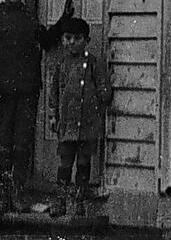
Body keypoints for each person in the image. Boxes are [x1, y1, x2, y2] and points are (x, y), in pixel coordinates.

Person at [0, 0, 74, 215]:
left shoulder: (29, 20)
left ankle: (18, 194)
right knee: (5, 145)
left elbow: (47, 39)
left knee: (22, 145)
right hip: (4, 93)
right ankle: (4, 195)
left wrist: (64, 21)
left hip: (28, 91)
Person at [47, 17, 112, 218]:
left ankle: (79, 200)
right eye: (68, 38)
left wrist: (99, 102)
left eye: (77, 38)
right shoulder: (61, 65)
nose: (72, 42)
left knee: (84, 163)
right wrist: (53, 116)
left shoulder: (93, 64)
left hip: (87, 124)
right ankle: (61, 200)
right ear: (62, 40)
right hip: (67, 124)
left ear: (87, 40)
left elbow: (104, 88)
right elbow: (54, 94)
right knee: (65, 163)